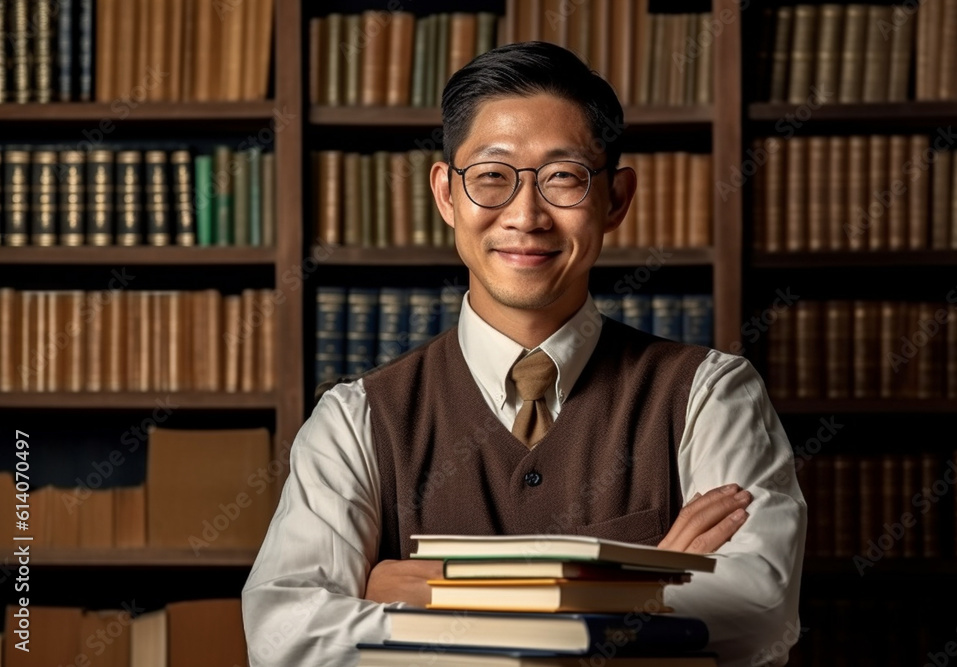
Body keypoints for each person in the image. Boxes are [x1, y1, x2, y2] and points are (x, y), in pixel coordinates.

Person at [243, 41, 806, 667]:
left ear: (616, 198)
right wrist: (646, 587)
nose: (526, 215)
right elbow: (284, 638)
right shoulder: (356, 419)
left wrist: (426, 594)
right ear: (446, 196)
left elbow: (760, 615)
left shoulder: (710, 393)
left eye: (563, 177)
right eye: (491, 177)